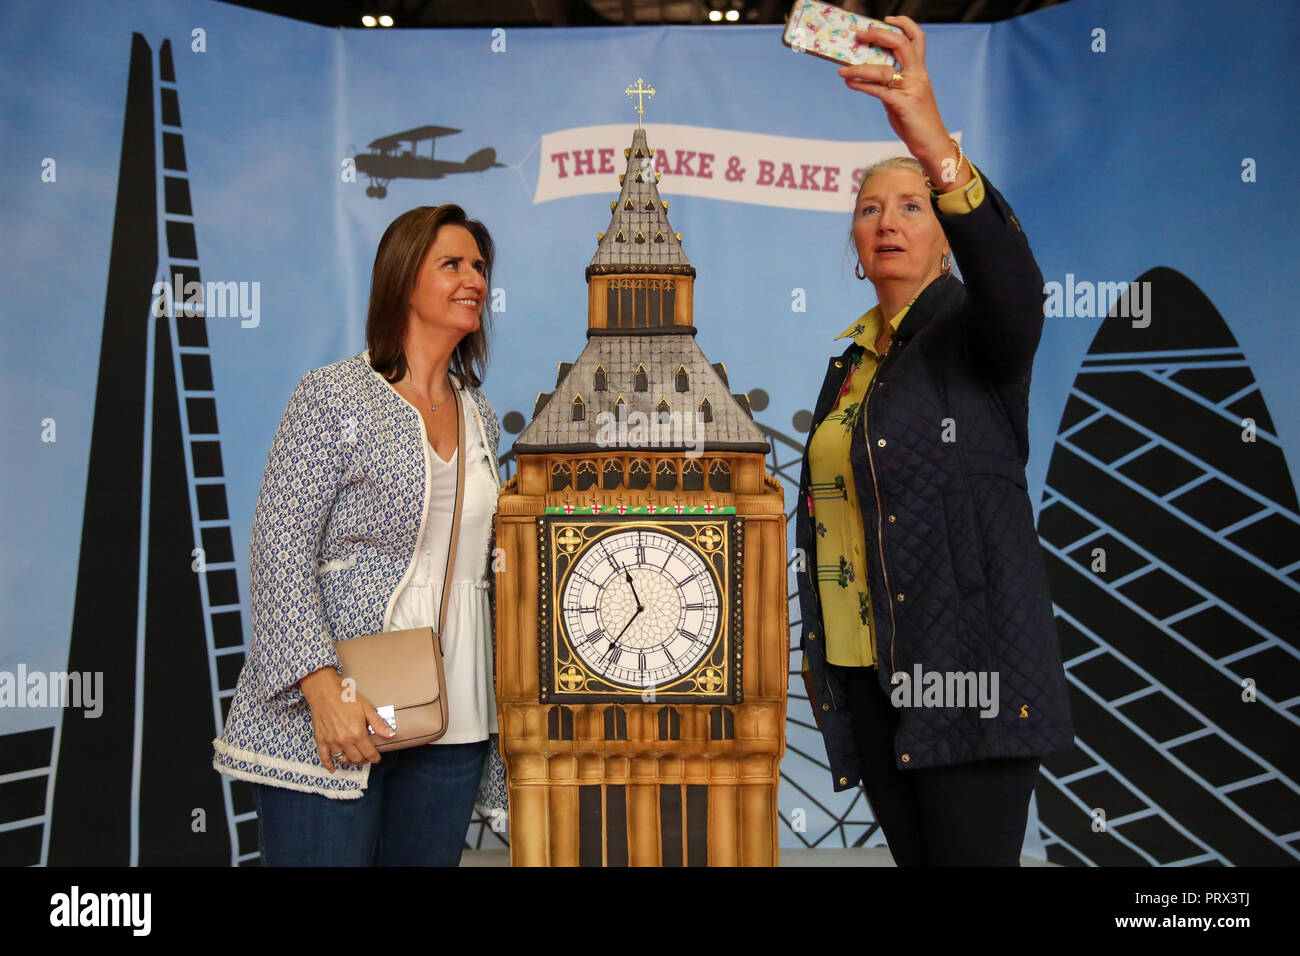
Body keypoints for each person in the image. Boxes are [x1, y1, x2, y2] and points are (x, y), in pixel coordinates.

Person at [796, 17, 1074, 866]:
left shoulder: (978, 334)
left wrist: (934, 148)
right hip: (870, 678)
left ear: (946, 236)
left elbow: (1015, 284)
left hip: (972, 678)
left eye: (912, 206)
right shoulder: (849, 366)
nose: (888, 221)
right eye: (870, 209)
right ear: (854, 244)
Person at [213, 204, 505, 866]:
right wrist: (324, 691)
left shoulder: (481, 415)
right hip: (345, 705)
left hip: (455, 717)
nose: (475, 281)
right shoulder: (333, 396)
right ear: (404, 281)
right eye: (452, 265)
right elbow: (279, 550)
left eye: (479, 266)